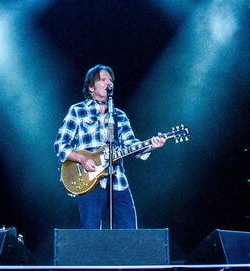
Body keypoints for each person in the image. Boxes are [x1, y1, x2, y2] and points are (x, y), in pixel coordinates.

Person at [54, 65, 166, 230]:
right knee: (91, 233)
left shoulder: (119, 116)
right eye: (103, 79)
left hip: (117, 179)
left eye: (110, 80)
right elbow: (60, 145)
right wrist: (83, 159)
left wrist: (151, 145)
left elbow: (131, 144)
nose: (108, 82)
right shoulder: (77, 111)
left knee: (129, 231)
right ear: (91, 87)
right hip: (88, 180)